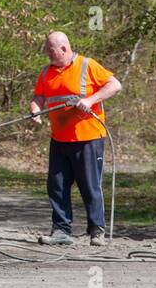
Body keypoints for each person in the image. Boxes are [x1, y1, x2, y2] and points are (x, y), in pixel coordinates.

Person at [29, 31, 121, 246]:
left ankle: (96, 231)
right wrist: (35, 109)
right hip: (59, 139)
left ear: (64, 48)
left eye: (51, 51)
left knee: (90, 185)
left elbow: (115, 85)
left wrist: (90, 100)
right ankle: (61, 230)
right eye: (46, 50)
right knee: (57, 185)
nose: (48, 55)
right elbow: (39, 96)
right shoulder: (46, 73)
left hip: (88, 138)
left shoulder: (87, 65)